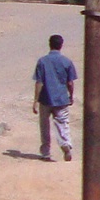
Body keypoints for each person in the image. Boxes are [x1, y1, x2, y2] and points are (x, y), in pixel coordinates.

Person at [33, 33, 79, 162]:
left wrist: (35, 101)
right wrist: (71, 96)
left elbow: (39, 82)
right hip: (61, 99)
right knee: (62, 123)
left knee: (44, 125)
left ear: (50, 44)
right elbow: (70, 82)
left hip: (45, 99)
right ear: (61, 45)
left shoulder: (42, 61)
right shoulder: (66, 61)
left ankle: (46, 152)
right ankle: (65, 144)